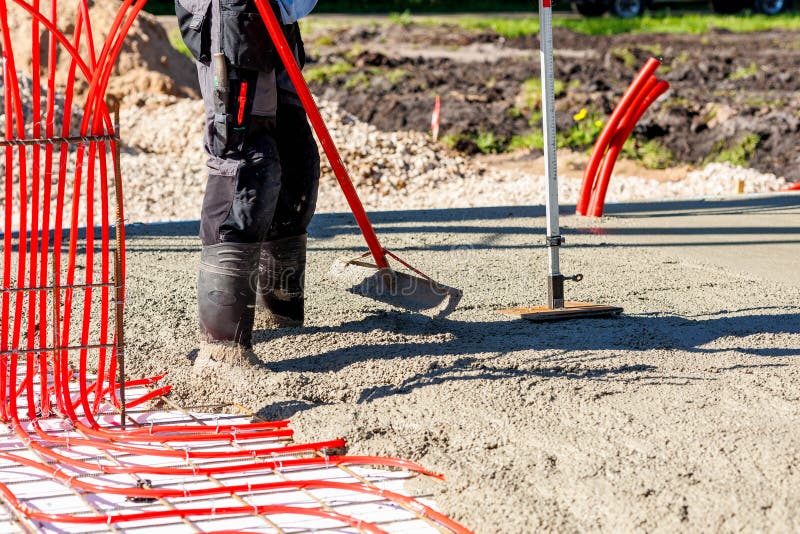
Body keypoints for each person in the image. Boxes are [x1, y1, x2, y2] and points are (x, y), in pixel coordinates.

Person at [175, 0, 320, 354]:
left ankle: (280, 319)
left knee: (295, 166)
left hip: (277, 14)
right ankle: (223, 349)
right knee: (249, 167)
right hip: (231, 12)